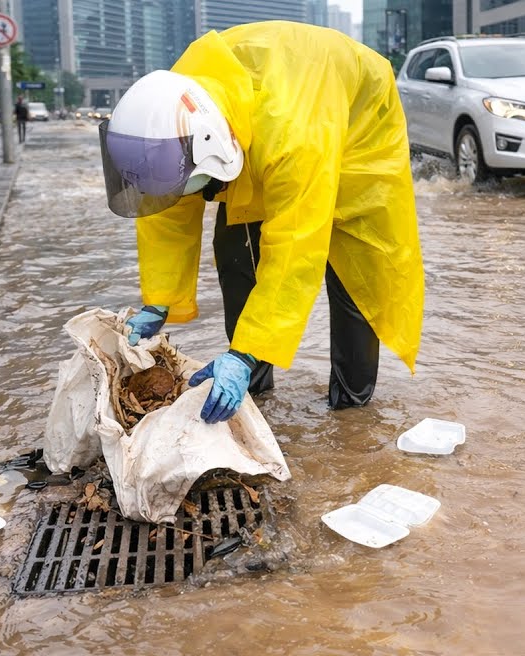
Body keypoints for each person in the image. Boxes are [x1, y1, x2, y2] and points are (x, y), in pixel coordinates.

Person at [102, 21, 424, 425]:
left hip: (354, 133)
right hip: (259, 118)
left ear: (216, 151)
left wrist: (243, 352)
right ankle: (251, 391)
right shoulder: (171, 111)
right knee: (237, 255)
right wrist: (159, 298)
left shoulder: (296, 135)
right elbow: (166, 210)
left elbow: (296, 250)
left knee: (357, 278)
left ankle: (351, 412)